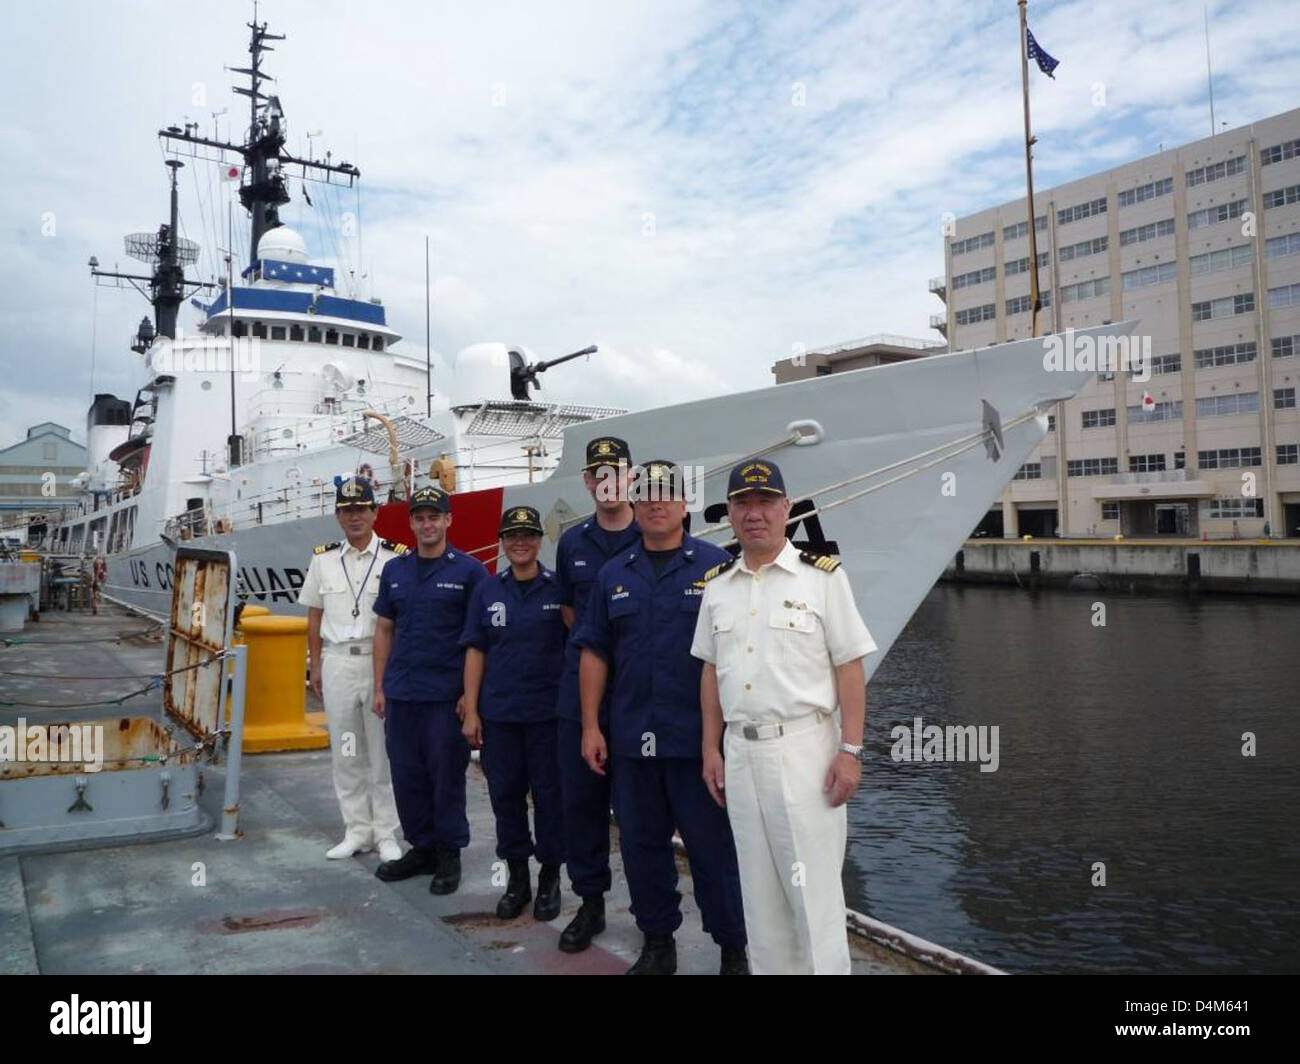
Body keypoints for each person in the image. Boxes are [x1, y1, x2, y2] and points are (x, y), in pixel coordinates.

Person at [691, 459, 877, 974]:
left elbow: (850, 666)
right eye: (743, 504)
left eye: (766, 502)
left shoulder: (822, 579)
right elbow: (710, 672)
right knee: (761, 899)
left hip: (805, 751)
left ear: (786, 509)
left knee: (812, 901)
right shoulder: (718, 586)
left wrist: (851, 751)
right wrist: (711, 747)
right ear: (728, 513)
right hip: (741, 754)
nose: (755, 514)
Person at [574, 459, 748, 975]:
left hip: (699, 744)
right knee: (642, 846)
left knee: (713, 850)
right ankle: (658, 944)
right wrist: (589, 725)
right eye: (646, 493)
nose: (655, 503)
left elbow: (738, 653)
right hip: (632, 739)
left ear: (685, 504)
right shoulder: (613, 574)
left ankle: (733, 949)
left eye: (667, 494)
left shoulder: (717, 567)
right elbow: (594, 652)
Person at [372, 485, 487, 894]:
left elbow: (478, 639)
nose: (427, 524)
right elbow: (385, 628)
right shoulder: (396, 571)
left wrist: (470, 698)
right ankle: (421, 847)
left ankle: (449, 853)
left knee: (446, 777)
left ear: (448, 520)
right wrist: (379, 686)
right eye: (419, 518)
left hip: (445, 695)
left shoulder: (470, 572)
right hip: (403, 692)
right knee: (406, 775)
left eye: (434, 516)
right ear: (412, 523)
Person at [551, 435, 640, 952]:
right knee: (580, 806)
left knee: (639, 813)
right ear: (587, 482)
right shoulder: (572, 542)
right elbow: (569, 613)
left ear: (629, 478)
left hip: (637, 696)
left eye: (617, 473)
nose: (607, 483)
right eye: (597, 475)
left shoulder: (654, 531)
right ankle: (590, 904)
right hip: (579, 694)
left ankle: (652, 913)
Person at [459, 505, 568, 920]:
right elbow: (475, 648)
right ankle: (518, 879)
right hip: (501, 715)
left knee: (549, 800)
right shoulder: (488, 591)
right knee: (506, 799)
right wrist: (471, 708)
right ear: (503, 543)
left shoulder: (558, 589)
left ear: (540, 540)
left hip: (547, 716)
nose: (520, 542)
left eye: (528, 535)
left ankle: (551, 879)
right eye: (512, 536)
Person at [299, 476, 407, 862]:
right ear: (337, 516)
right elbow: (314, 616)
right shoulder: (323, 559)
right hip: (338, 663)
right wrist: (314, 666)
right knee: (346, 752)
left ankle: (386, 833)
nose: (355, 516)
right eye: (347, 511)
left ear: (375, 512)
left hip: (379, 665)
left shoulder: (396, 557)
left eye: (361, 509)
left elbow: (402, 620)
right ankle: (356, 830)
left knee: (382, 752)